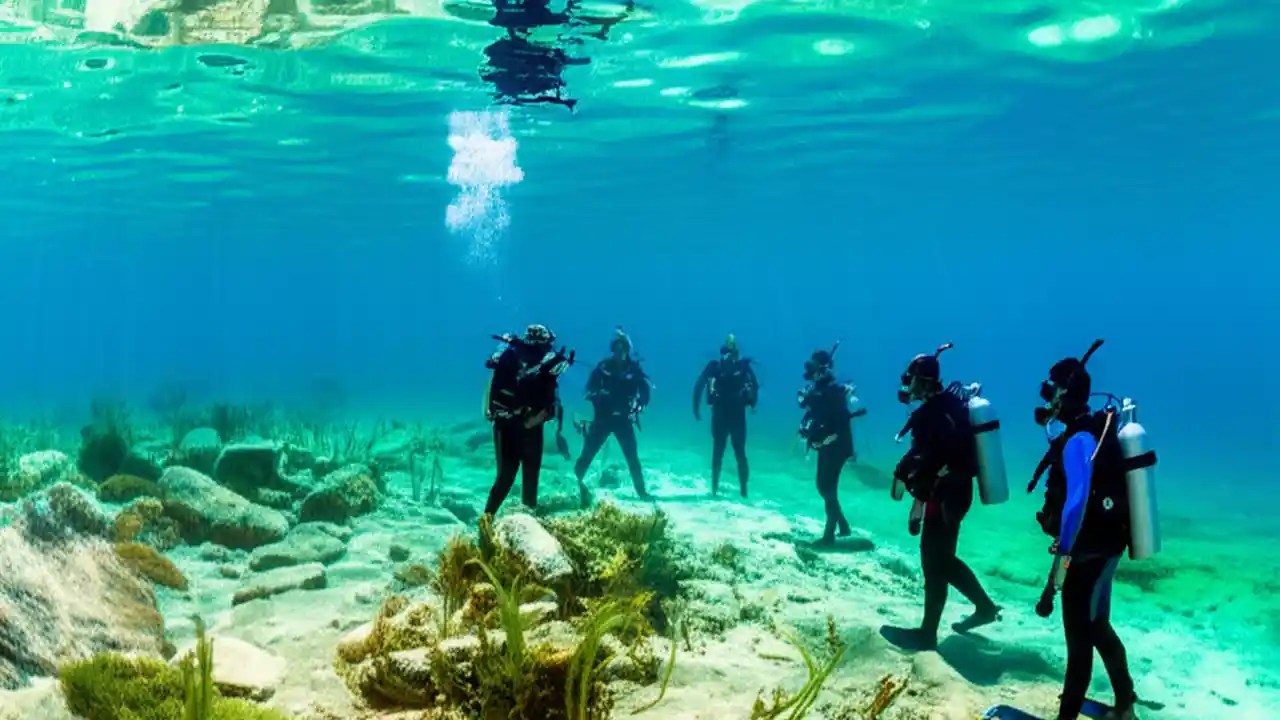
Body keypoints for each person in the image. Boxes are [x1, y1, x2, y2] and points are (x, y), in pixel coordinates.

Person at [1033, 340, 1138, 720]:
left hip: (1087, 553)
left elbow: (1075, 504)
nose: (1045, 395)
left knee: (1079, 640)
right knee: (1097, 628)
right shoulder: (1095, 431)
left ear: (1063, 393)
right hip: (1106, 547)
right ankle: (1125, 707)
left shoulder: (1079, 439)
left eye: (1049, 387)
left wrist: (1061, 560)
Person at [879, 344, 1000, 652]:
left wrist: (910, 476)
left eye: (912, 380)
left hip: (946, 498)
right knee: (940, 561)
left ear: (923, 381)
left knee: (936, 564)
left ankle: (928, 633)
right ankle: (980, 609)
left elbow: (932, 457)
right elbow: (932, 454)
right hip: (952, 495)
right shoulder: (949, 407)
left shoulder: (933, 414)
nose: (908, 385)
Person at [482, 324, 574, 517]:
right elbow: (551, 402)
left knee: (504, 478)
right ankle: (529, 523)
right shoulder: (548, 361)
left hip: (504, 424)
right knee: (531, 478)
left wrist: (492, 412)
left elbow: (493, 387)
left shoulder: (507, 355)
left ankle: (487, 520)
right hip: (532, 426)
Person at [574, 327, 652, 503]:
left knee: (632, 457)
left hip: (624, 421)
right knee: (587, 454)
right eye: (616, 348)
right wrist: (598, 394)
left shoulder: (635, 369)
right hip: (602, 419)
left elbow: (645, 393)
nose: (620, 352)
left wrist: (640, 406)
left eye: (623, 348)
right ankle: (575, 485)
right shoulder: (602, 368)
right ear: (612, 349)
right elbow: (588, 390)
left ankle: (642, 492)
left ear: (628, 349)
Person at [797, 343, 865, 546]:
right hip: (825, 445)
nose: (809, 370)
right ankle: (842, 525)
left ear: (823, 368)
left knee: (827, 488)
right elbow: (810, 405)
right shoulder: (820, 388)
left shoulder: (833, 391)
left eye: (813, 366)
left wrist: (838, 443)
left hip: (836, 446)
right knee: (823, 486)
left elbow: (840, 420)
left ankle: (829, 535)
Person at [692, 334, 759, 497]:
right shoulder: (718, 367)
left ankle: (737, 490)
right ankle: (724, 489)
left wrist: (696, 407)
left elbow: (700, 385)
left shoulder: (735, 366)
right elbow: (700, 385)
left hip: (731, 414)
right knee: (727, 452)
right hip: (727, 414)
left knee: (732, 452)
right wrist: (696, 407)